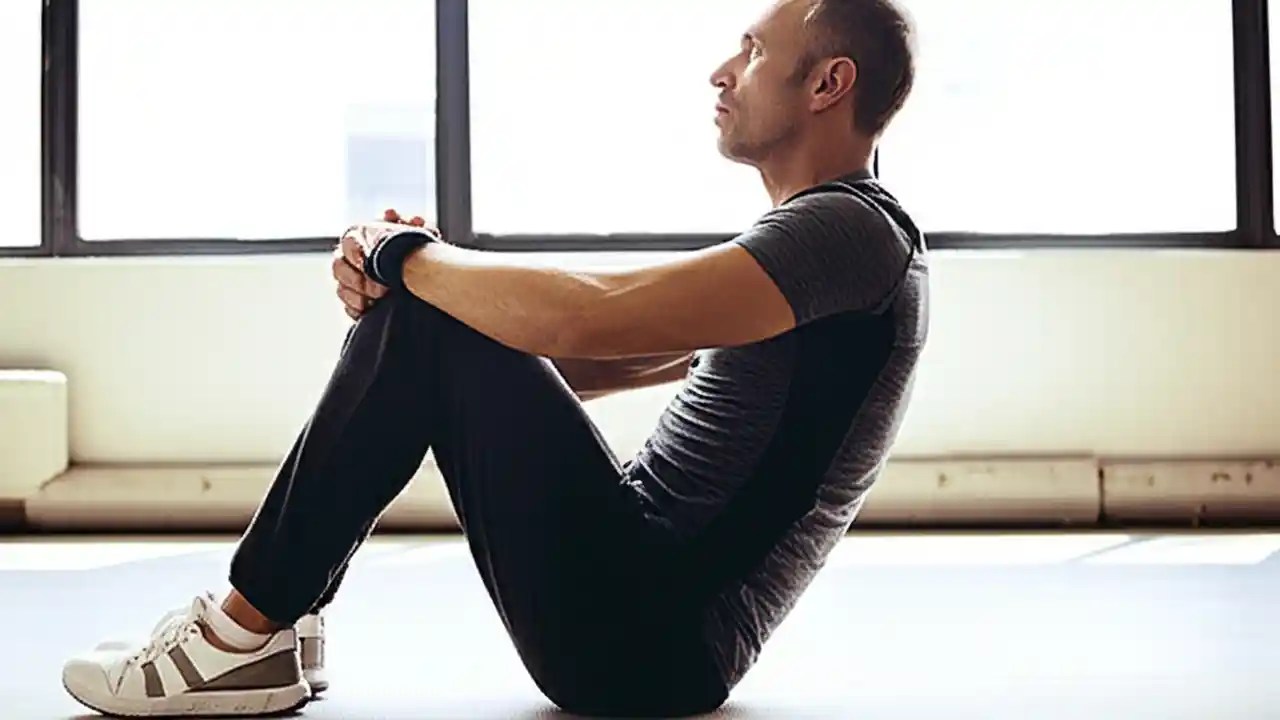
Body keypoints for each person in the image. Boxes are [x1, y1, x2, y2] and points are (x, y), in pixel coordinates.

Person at [62, 0, 926, 716]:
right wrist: (424, 294)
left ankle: (243, 632)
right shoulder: (830, 240)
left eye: (752, 49)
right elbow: (610, 355)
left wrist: (400, 258)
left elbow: (593, 316)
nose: (720, 71)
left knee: (424, 315)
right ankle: (282, 618)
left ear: (827, 82)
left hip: (652, 635)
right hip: (646, 615)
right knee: (429, 319)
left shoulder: (847, 231)